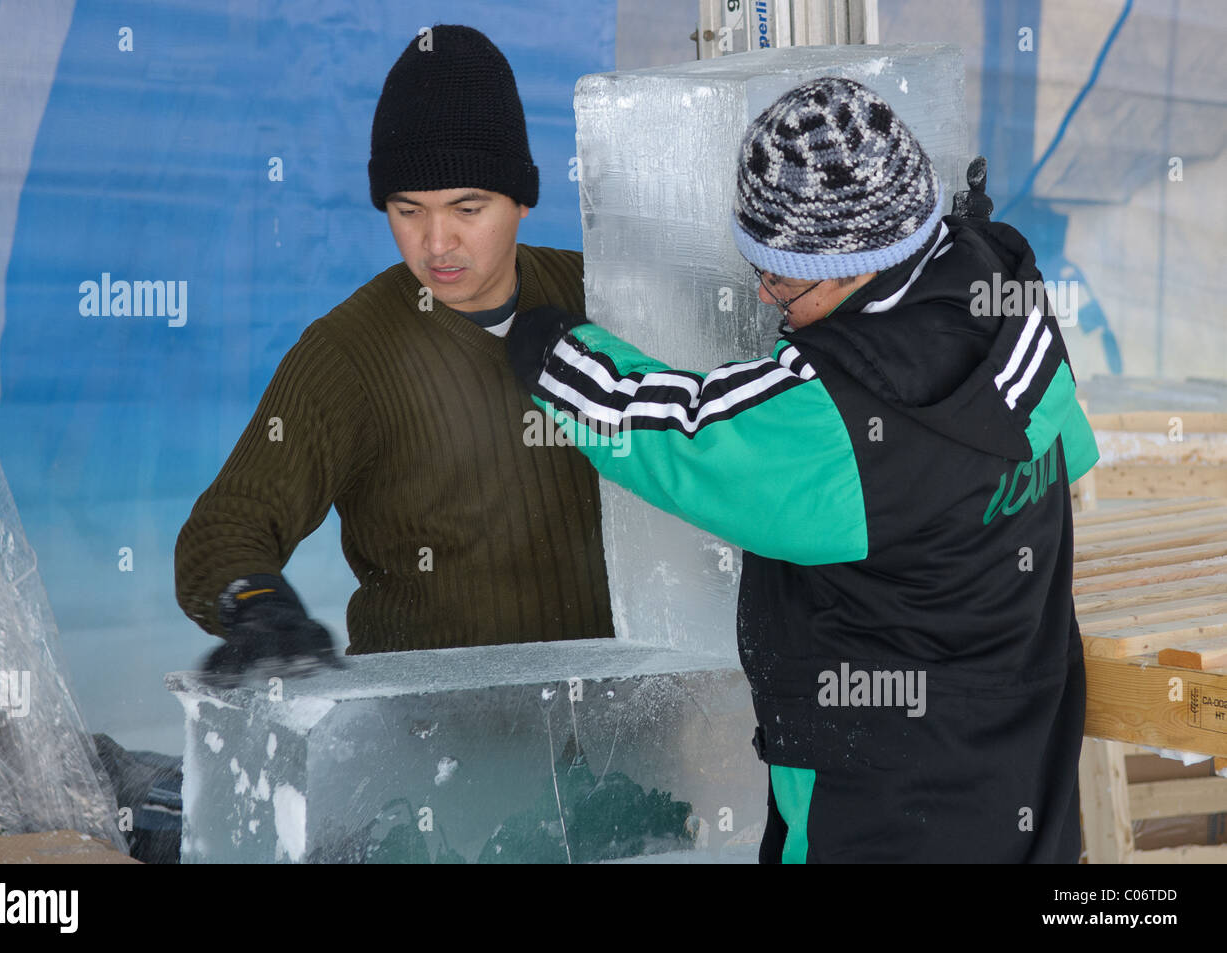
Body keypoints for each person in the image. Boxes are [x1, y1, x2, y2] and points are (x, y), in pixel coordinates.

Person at [507, 77, 1098, 863]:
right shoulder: (1006, 291)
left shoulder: (840, 420)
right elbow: (1072, 448)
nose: (762, 291)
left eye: (782, 276)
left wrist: (546, 346)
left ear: (862, 264)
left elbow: (673, 430)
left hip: (885, 803)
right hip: (1028, 767)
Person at [175, 25, 613, 681]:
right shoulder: (349, 353)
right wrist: (258, 606)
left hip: (623, 727)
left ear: (522, 198)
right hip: (429, 747)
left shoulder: (603, 295)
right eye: (409, 211)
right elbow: (225, 527)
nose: (438, 243)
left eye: (468, 207)